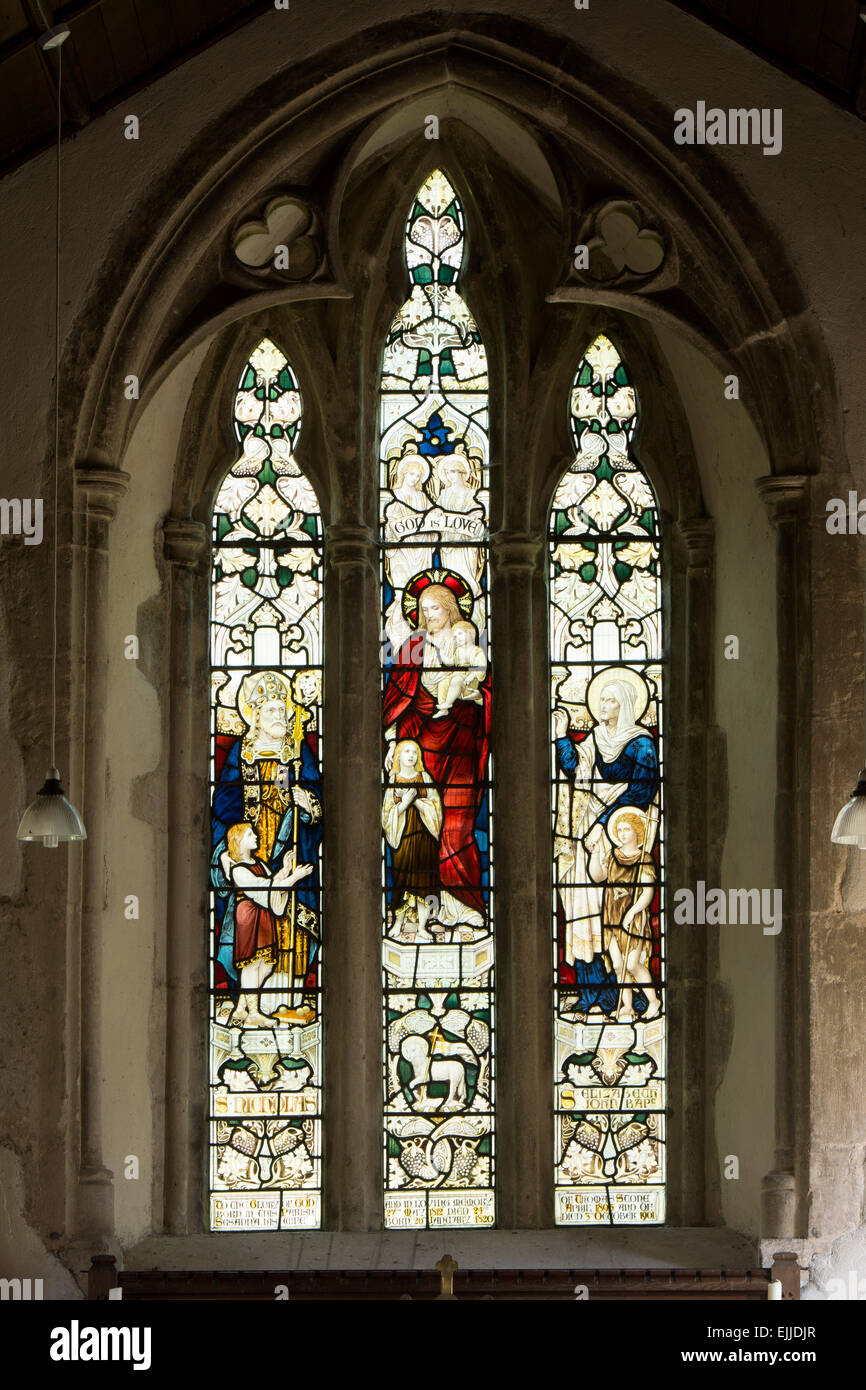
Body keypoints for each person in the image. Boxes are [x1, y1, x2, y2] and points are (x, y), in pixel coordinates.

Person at [212, 670, 321, 1021]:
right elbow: (223, 805)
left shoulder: (298, 751)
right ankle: (247, 998)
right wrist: (235, 847)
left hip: (292, 847)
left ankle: (293, 997)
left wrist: (307, 804)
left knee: (294, 921)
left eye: (283, 710)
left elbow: (317, 797)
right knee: (251, 926)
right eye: (272, 711)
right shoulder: (241, 754)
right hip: (253, 851)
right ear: (256, 714)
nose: (280, 717)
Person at [552, 670, 659, 1021]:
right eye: (602, 699)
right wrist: (560, 737)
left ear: (626, 704)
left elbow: (642, 791)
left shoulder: (642, 743)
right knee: (579, 901)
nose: (603, 705)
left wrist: (603, 825)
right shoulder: (596, 737)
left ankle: (626, 998)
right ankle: (591, 990)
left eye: (611, 700)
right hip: (590, 826)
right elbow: (574, 767)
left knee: (610, 903)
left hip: (619, 832)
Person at [384, 582, 490, 930]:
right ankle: (418, 907)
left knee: (457, 825)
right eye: (423, 609)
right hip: (418, 742)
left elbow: (484, 689)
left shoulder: (469, 644)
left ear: (451, 610)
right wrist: (390, 742)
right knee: (420, 823)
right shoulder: (414, 646)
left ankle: (464, 906)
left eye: (435, 608)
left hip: (460, 742)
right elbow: (398, 694)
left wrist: (472, 697)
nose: (427, 615)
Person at [221, 822, 313, 1026]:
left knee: (267, 965)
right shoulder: (238, 871)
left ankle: (241, 1008)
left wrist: (285, 870)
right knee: (252, 964)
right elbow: (264, 889)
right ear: (239, 841)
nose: (255, 836)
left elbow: (271, 882)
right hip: (249, 916)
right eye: (250, 834)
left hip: (263, 915)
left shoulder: (258, 863)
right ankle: (253, 1012)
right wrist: (295, 877)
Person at [588, 807, 661, 1022]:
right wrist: (594, 854)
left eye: (626, 829)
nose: (621, 833)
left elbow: (648, 892)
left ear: (637, 830)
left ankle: (653, 1000)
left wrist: (632, 913)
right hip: (612, 916)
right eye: (619, 829)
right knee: (619, 965)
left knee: (632, 964)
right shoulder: (613, 855)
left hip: (634, 917)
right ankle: (627, 1007)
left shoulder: (644, 858)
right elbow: (598, 876)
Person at [382, 740, 443, 939]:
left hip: (424, 837)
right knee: (402, 880)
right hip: (403, 838)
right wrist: (404, 803)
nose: (411, 756)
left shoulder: (424, 777)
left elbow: (435, 809)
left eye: (415, 752)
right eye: (406, 751)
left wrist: (414, 801)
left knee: (424, 881)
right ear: (397, 755)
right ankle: (397, 924)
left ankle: (422, 926)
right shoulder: (393, 781)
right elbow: (386, 815)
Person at [434, 619, 487, 717]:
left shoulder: (476, 651)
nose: (457, 638)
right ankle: (443, 708)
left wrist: (472, 675)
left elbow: (481, 667)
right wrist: (440, 652)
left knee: (457, 680)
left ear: (470, 633)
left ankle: (448, 704)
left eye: (460, 634)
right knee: (443, 683)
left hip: (469, 680)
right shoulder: (458, 651)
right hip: (457, 675)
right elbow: (451, 663)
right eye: (455, 636)